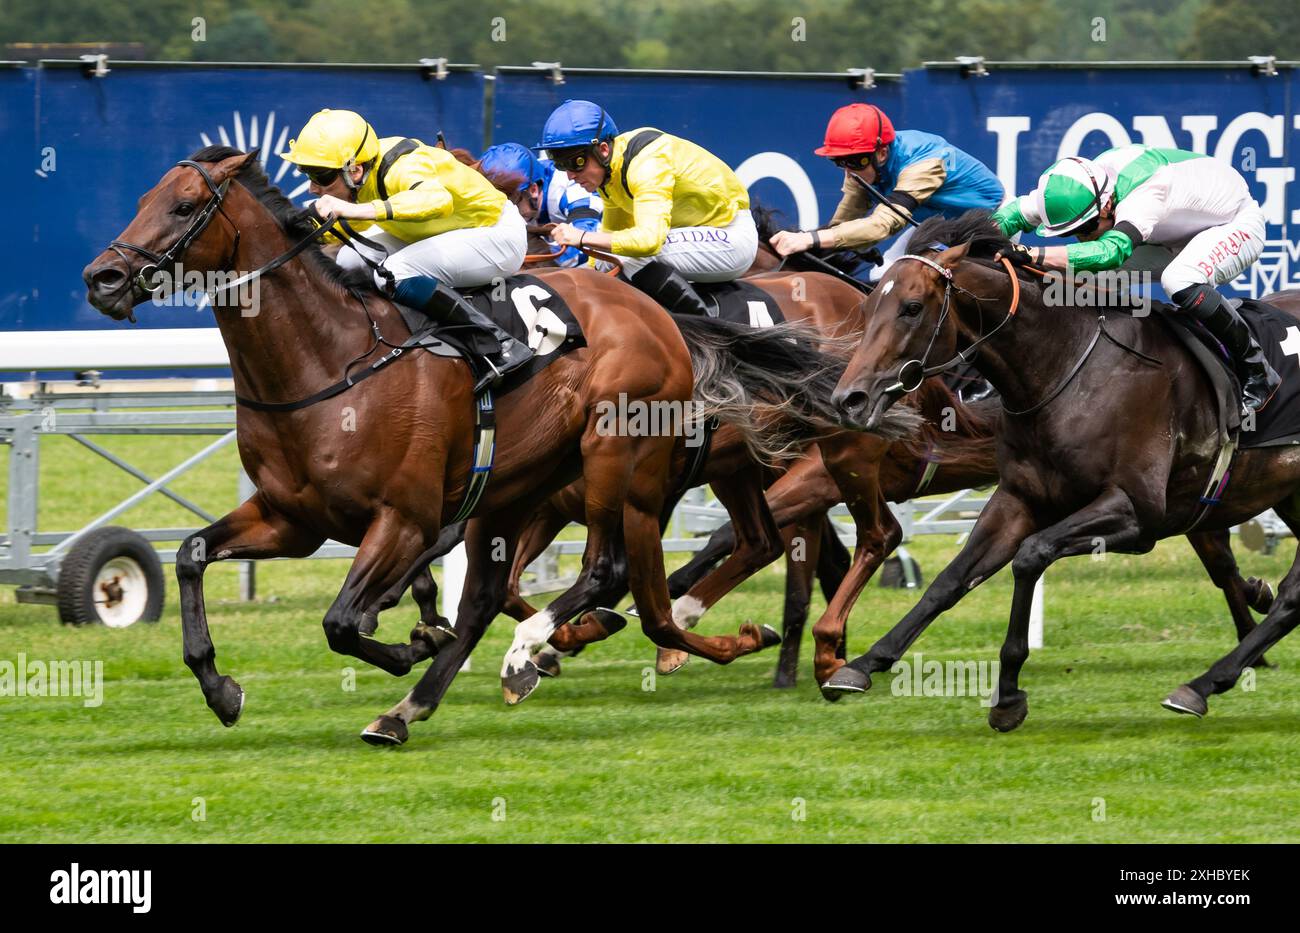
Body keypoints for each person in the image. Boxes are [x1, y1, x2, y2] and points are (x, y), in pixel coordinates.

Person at [992, 146, 1280, 412]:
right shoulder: (1069, 191)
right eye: (1071, 233)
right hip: (1170, 236)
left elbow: (1110, 252)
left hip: (1234, 224)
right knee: (1070, 274)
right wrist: (963, 245)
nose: (1082, 236)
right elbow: (1010, 217)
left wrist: (1031, 253)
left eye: (1088, 227)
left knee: (1178, 280)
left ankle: (1258, 370)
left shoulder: (1146, 192)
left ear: (1106, 206)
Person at [280, 108, 530, 390]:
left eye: (321, 176)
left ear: (355, 170)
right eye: (307, 174)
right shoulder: (363, 178)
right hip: (448, 230)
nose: (313, 188)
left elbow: (436, 200)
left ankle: (498, 343)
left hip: (495, 233)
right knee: (350, 259)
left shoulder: (404, 165)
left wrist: (354, 210)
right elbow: (353, 228)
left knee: (395, 271)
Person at [535, 99, 757, 315]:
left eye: (576, 163)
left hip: (730, 236)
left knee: (630, 257)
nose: (571, 175)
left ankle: (708, 333)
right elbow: (608, 242)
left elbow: (648, 242)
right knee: (604, 264)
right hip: (699, 236)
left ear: (603, 150)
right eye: (560, 164)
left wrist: (582, 237)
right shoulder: (608, 174)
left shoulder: (647, 163)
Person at [770, 103, 1004, 279]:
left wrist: (809, 238)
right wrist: (811, 243)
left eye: (855, 161)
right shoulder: (861, 167)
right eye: (839, 161)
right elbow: (841, 225)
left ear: (881, 153)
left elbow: (882, 225)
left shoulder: (923, 164)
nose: (848, 171)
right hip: (940, 226)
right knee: (882, 276)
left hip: (991, 223)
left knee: (934, 284)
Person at [478, 142, 602, 268]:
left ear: (533, 190)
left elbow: (581, 251)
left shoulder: (572, 188)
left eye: (511, 203)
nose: (505, 213)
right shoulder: (523, 187)